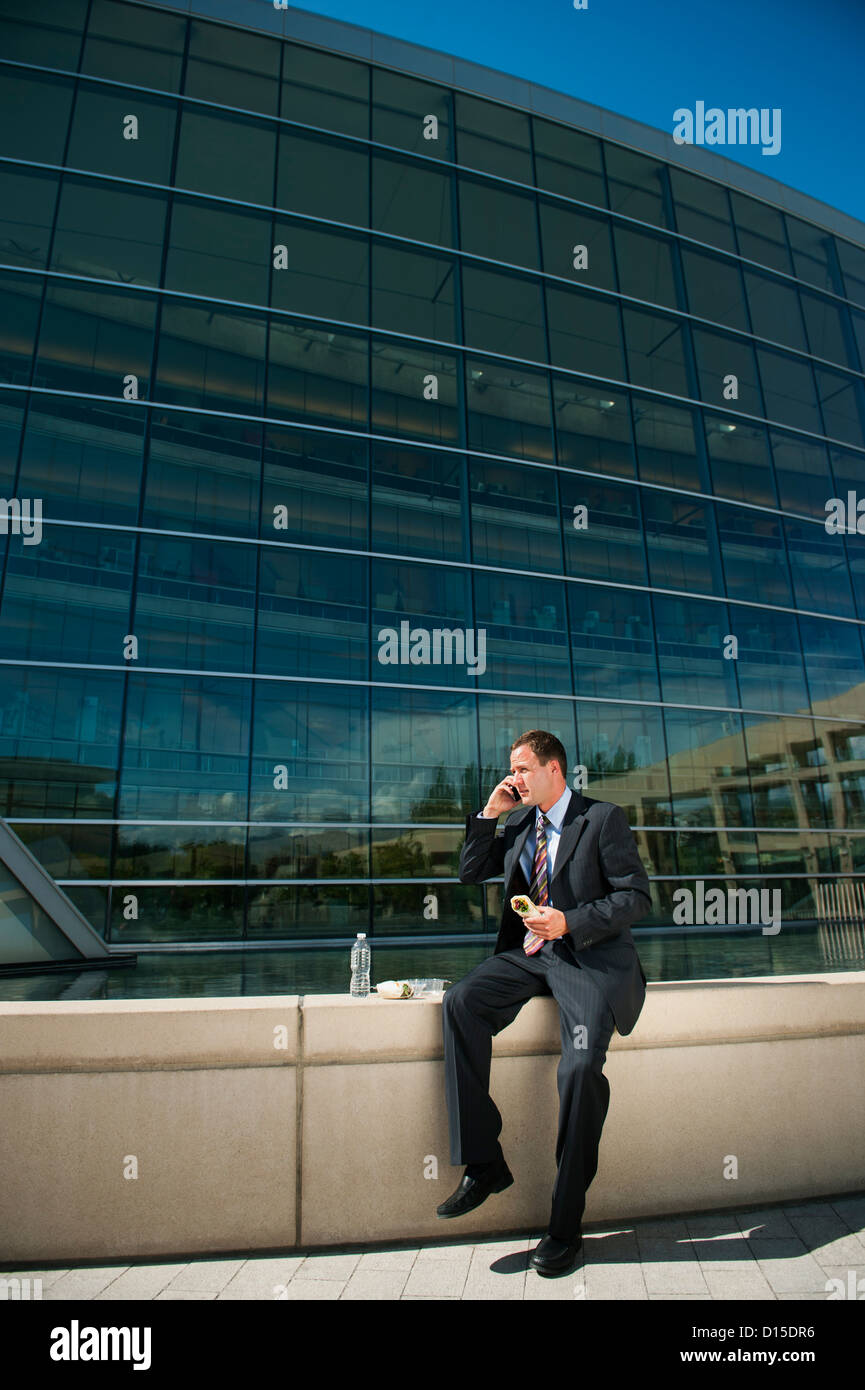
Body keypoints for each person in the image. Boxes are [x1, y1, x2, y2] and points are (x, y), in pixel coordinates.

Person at [438, 729, 651, 1276]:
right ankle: (484, 1162)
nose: (515, 778)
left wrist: (569, 921)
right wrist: (490, 812)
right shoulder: (516, 825)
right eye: (512, 769)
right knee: (461, 1002)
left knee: (579, 1069)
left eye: (524, 768)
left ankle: (565, 1226)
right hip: (529, 956)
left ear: (555, 769)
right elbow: (468, 872)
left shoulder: (601, 820)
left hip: (585, 959)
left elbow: (634, 897)